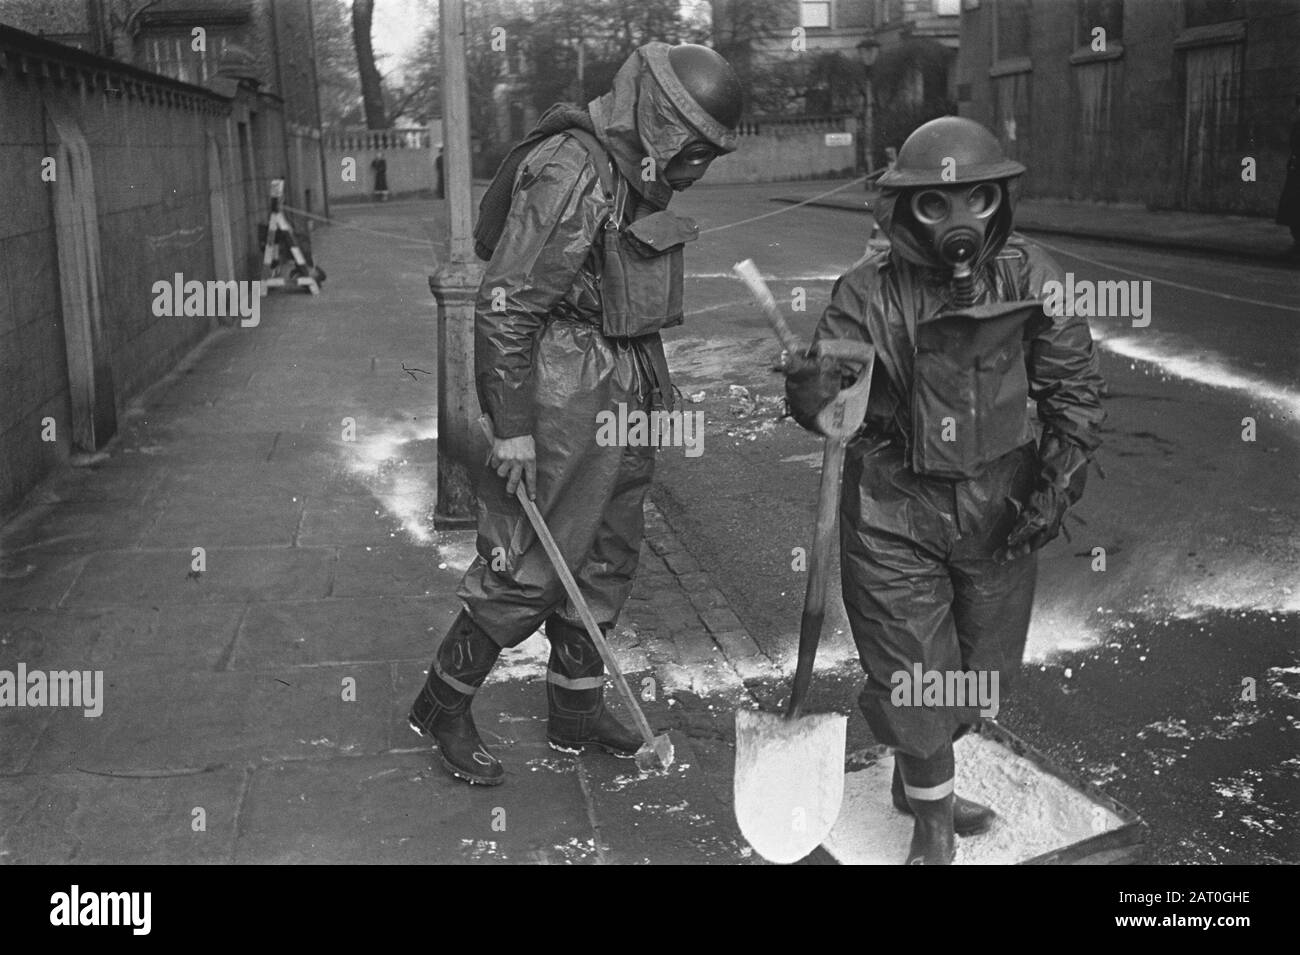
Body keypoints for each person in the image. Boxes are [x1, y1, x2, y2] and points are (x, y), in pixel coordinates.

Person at [409, 43, 743, 786]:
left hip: (619, 377)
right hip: (563, 386)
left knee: (606, 553)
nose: (695, 168)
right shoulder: (572, 168)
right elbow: (507, 305)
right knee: (528, 561)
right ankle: (444, 704)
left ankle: (577, 709)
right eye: (693, 149)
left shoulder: (629, 171)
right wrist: (516, 425)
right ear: (660, 120)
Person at [785, 116, 1106, 863]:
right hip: (894, 503)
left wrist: (1058, 480)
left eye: (976, 201)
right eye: (935, 205)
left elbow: (1073, 385)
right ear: (904, 210)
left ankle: (915, 773)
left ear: (1001, 199)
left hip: (1000, 503)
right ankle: (930, 817)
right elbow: (833, 409)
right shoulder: (865, 293)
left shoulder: (1033, 274)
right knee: (912, 670)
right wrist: (812, 389)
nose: (959, 224)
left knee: (980, 673)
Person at [1275, 94, 1300, 253]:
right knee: (1292, 208)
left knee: (1294, 207)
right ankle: (1297, 242)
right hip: (1295, 171)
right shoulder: (1297, 124)